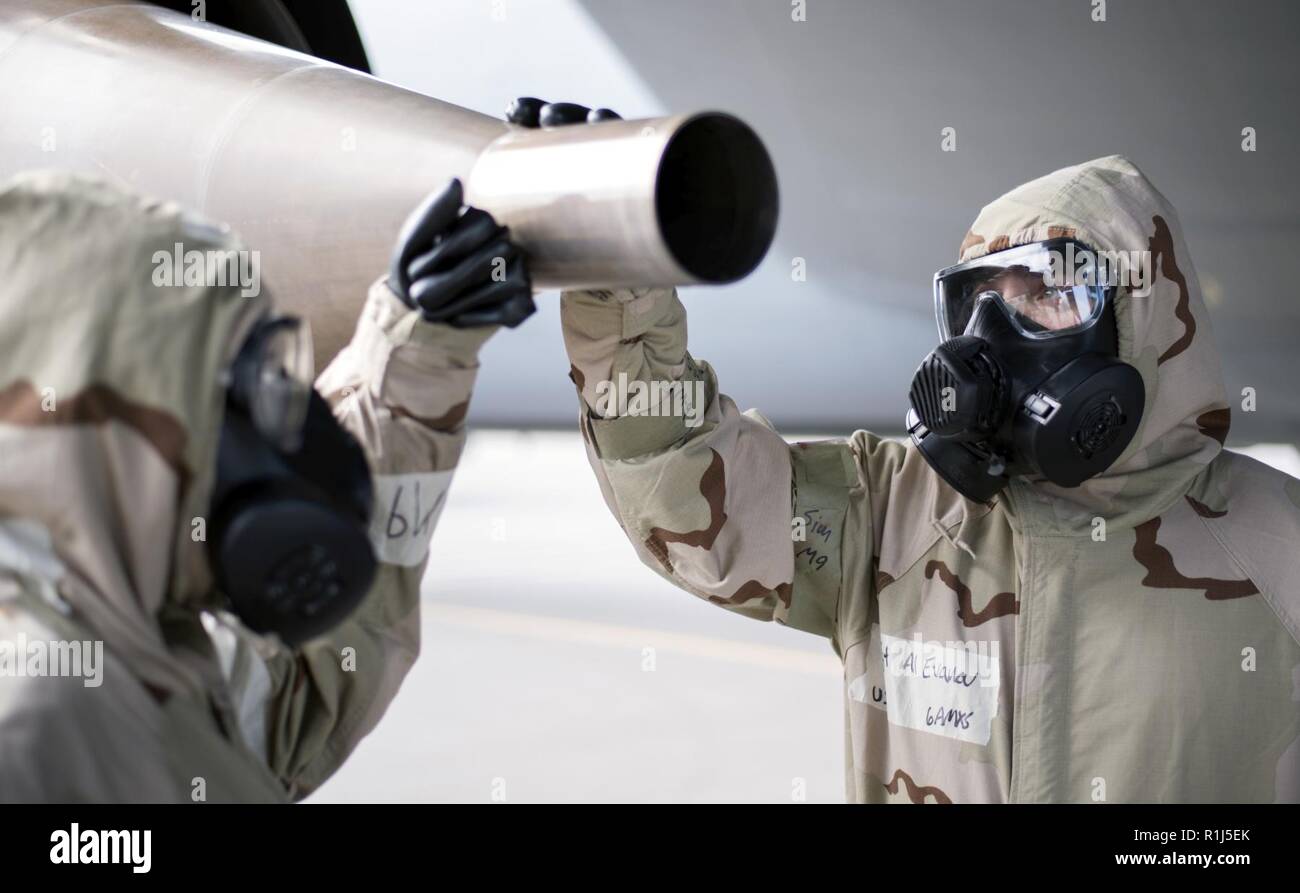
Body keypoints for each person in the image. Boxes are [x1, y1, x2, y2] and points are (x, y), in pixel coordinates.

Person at [523, 99, 1300, 803]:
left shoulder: (1279, 545)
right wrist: (613, 267)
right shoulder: (894, 513)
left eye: (1049, 292)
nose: (993, 338)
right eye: (980, 302)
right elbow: (677, 469)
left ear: (1144, 320)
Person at [0, 171, 528, 801]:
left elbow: (297, 700)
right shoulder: (39, 725)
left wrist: (418, 346)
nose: (280, 434)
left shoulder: (132, 656)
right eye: (241, 390)